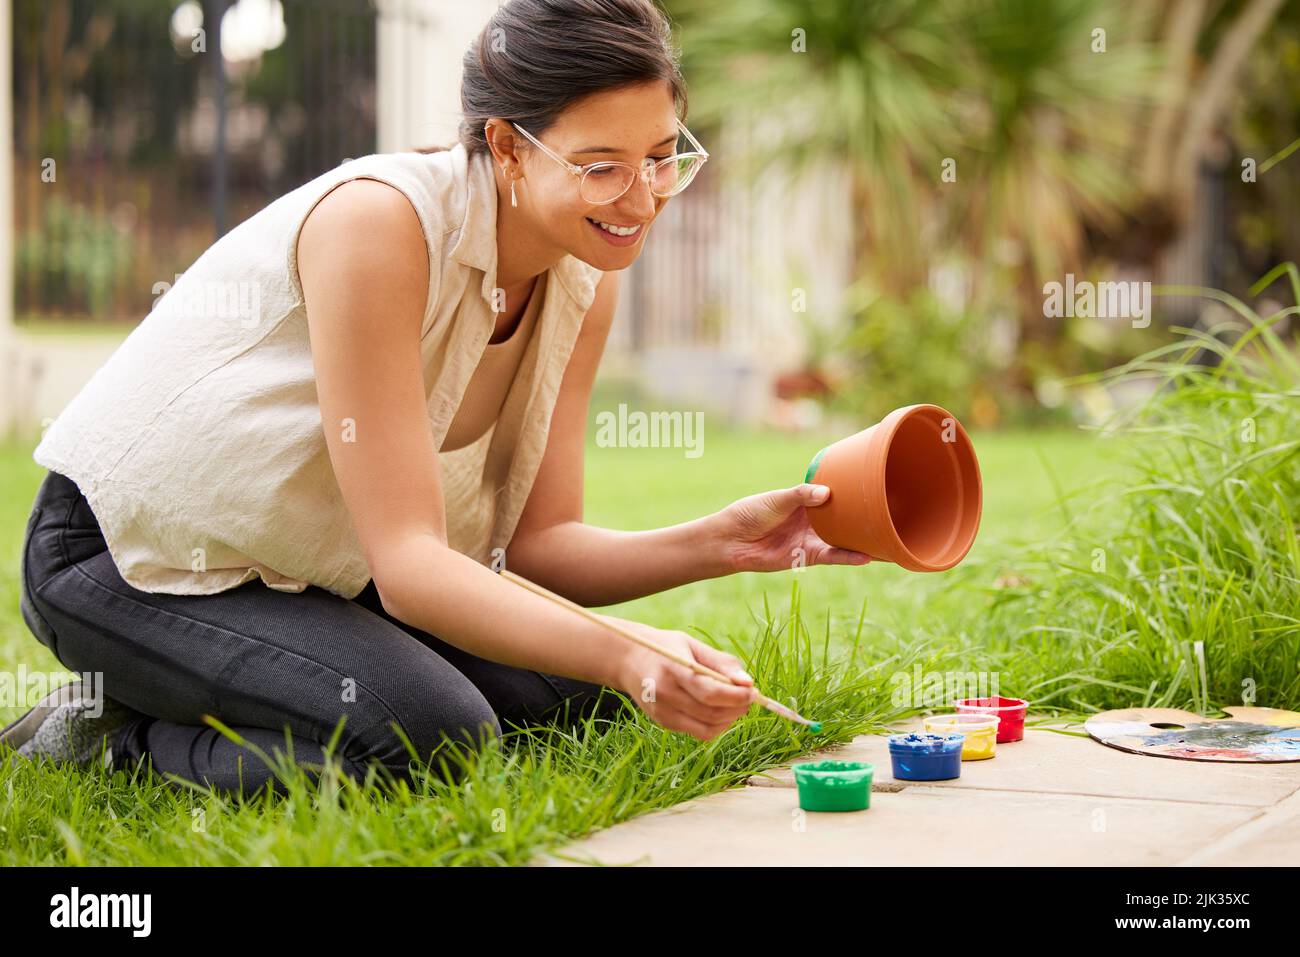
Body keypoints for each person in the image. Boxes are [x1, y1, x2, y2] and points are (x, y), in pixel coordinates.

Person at [2, 0, 868, 797]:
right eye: (603, 166)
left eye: (661, 157)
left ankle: (221, 696)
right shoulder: (380, 225)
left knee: (582, 698)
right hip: (130, 558)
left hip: (306, 571)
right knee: (436, 737)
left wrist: (719, 543)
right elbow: (412, 567)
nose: (643, 200)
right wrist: (628, 654)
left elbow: (541, 546)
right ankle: (112, 736)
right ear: (505, 145)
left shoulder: (585, 271)